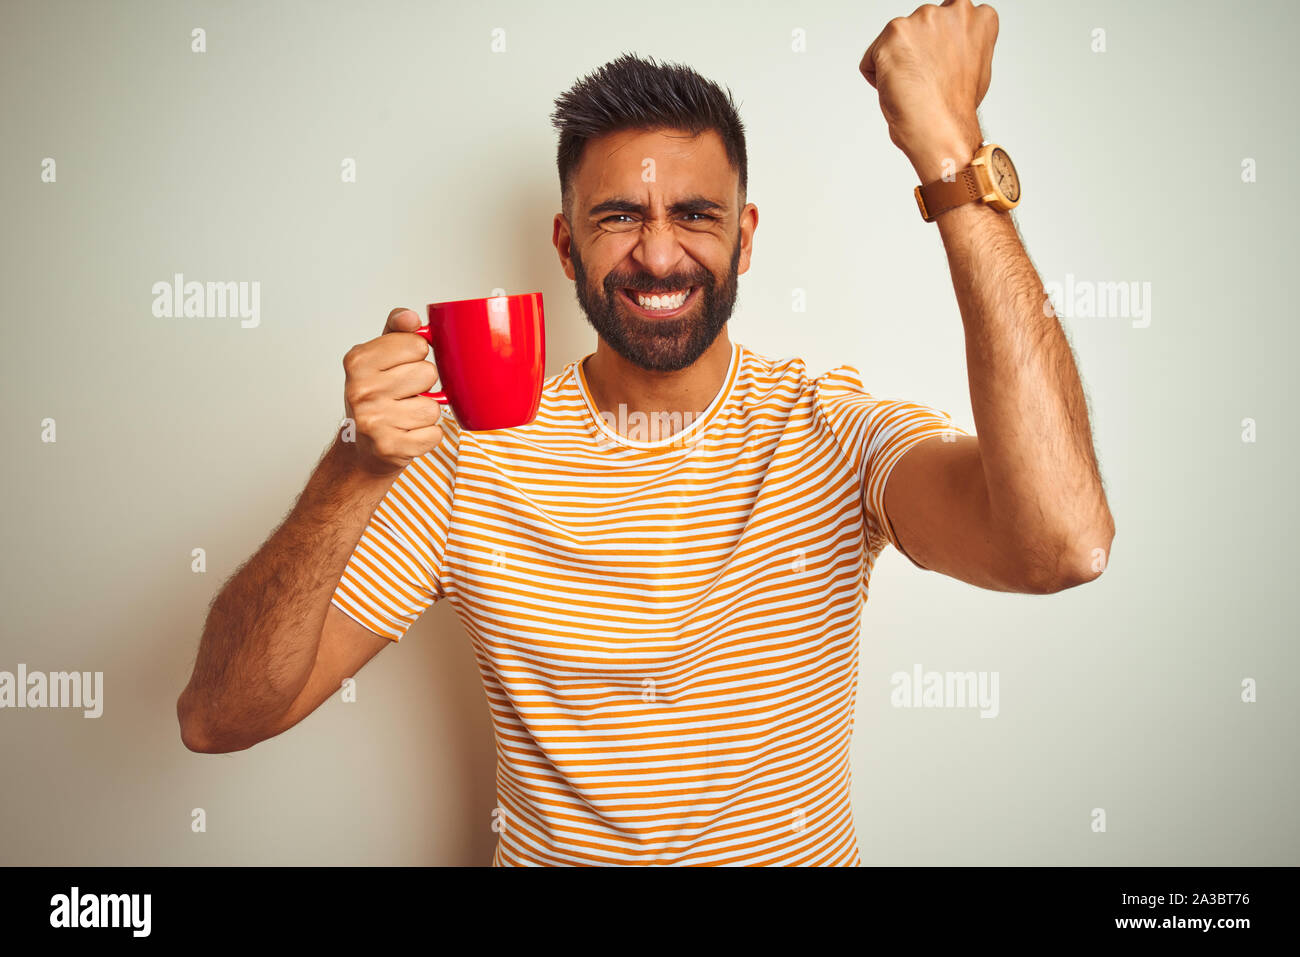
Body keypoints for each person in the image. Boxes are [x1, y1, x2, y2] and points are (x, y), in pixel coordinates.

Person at [177, 2, 1114, 866]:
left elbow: (1063, 543)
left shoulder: (834, 432)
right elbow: (220, 718)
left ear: (745, 238)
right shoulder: (464, 455)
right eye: (619, 215)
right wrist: (352, 467)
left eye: (695, 215)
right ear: (564, 244)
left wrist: (954, 162)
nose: (660, 254)